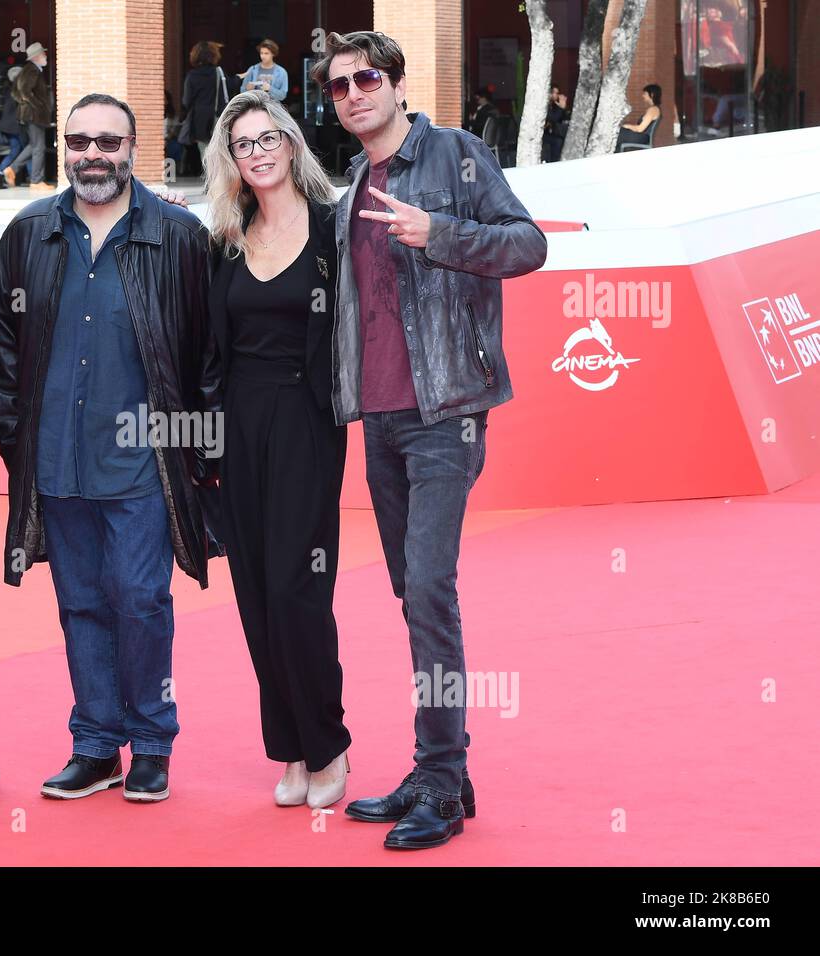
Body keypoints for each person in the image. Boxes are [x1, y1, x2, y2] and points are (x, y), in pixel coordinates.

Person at [312, 31, 547, 849]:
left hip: (448, 410)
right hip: (378, 419)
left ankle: (441, 780)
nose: (353, 93)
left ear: (397, 81)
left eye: (365, 77)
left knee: (432, 593)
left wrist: (439, 233)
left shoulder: (455, 153)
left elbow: (528, 245)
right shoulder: (350, 183)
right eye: (338, 86)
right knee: (413, 593)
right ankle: (441, 767)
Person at [0, 93, 220, 804]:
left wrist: (199, 455)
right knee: (80, 604)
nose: (94, 154)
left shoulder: (179, 236)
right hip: (56, 457)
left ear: (133, 148)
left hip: (145, 460)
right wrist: (13, 434)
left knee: (142, 600)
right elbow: (2, 345)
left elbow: (206, 354)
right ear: (65, 147)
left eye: (109, 142)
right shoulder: (29, 232)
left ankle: (151, 743)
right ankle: (95, 744)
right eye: (81, 141)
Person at [203, 90, 352, 810]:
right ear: (229, 162)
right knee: (257, 592)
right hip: (238, 423)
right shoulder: (224, 241)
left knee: (298, 589)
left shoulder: (336, 228)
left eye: (268, 139)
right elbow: (207, 347)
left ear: (291, 145)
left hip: (306, 418)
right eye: (243, 145)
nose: (257, 153)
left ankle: (328, 744)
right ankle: (288, 748)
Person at [5, 42, 52, 190]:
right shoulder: (32, 70)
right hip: (34, 115)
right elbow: (25, 91)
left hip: (30, 115)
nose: (45, 56)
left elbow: (15, 92)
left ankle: (12, 169)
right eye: (43, 54)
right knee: (39, 147)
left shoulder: (28, 70)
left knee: (34, 145)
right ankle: (37, 180)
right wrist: (38, 105)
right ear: (37, 56)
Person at [182, 41, 230, 171]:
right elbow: (225, 93)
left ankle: (210, 178)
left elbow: (186, 101)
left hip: (198, 119)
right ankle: (218, 179)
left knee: (204, 151)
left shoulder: (191, 75)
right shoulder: (218, 72)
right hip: (216, 116)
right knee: (219, 150)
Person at [0, 66, 24, 189]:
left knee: (20, 150)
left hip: (8, 126)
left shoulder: (9, 90)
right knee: (19, 150)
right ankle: (0, 174)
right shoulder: (17, 91)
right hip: (13, 127)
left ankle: (10, 175)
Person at [617, 84, 662, 150]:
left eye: (645, 93)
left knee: (616, 134)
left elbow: (640, 128)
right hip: (641, 136)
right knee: (617, 134)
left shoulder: (653, 110)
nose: (643, 96)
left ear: (652, 94)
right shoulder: (654, 109)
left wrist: (626, 126)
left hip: (642, 137)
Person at [543, 84, 570, 162]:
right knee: (558, 141)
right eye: (555, 93)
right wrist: (561, 108)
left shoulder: (554, 104)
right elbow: (553, 118)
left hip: (552, 132)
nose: (557, 95)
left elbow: (563, 118)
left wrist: (564, 108)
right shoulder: (545, 104)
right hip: (543, 134)